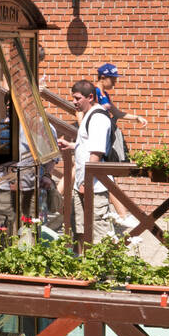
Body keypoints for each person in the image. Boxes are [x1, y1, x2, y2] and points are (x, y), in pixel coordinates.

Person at [57, 79, 114, 241]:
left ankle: (101, 266)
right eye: (73, 98)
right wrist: (72, 145)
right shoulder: (88, 115)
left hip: (93, 187)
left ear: (90, 97)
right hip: (84, 185)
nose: (74, 102)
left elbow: (96, 152)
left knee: (97, 235)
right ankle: (81, 264)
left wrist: (85, 183)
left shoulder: (98, 118)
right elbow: (88, 145)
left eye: (77, 98)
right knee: (80, 231)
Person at [91, 62, 144, 228]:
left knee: (105, 176)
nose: (115, 82)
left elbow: (117, 113)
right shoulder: (94, 92)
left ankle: (55, 198)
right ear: (103, 77)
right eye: (113, 79)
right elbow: (82, 113)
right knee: (107, 176)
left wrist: (136, 117)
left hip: (103, 138)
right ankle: (122, 215)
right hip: (96, 139)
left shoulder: (104, 94)